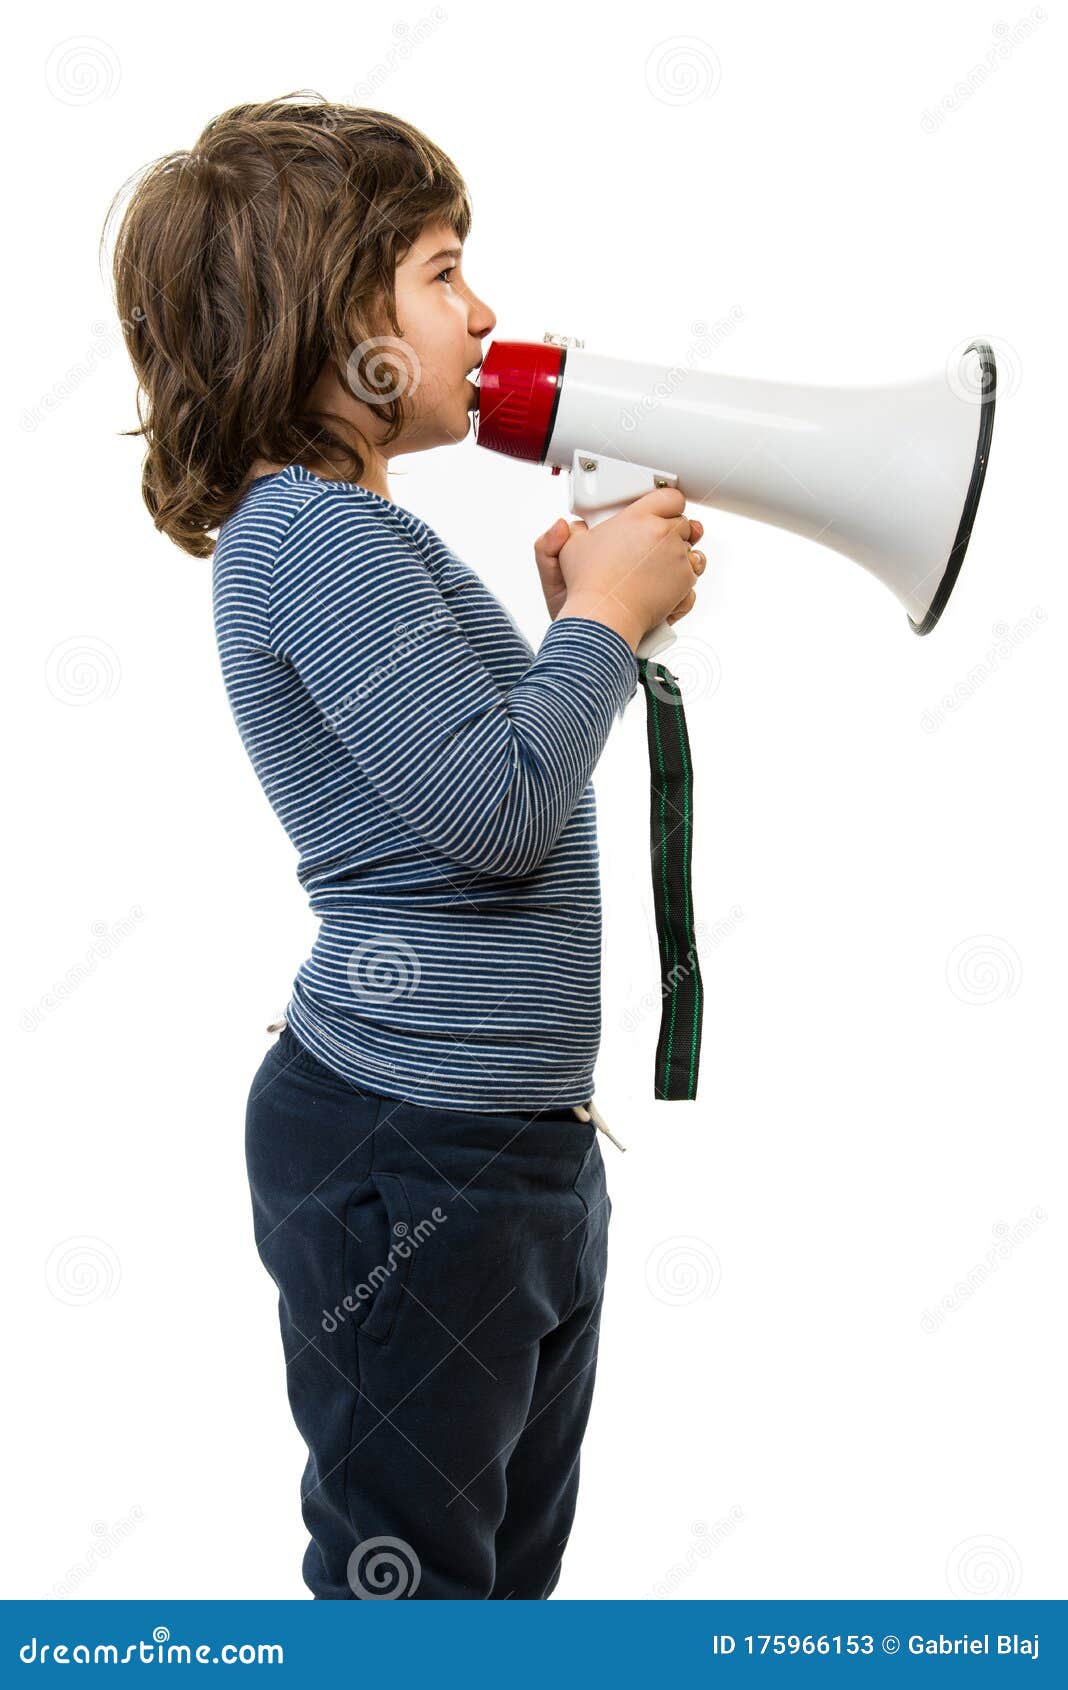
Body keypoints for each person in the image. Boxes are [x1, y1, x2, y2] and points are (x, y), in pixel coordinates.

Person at [105, 92, 705, 1599]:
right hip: (414, 1154)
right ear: (326, 318)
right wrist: (601, 619)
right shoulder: (314, 538)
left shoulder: (363, 538)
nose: (485, 312)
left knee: (497, 1574)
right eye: (442, 272)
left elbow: (487, 780)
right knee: (415, 1588)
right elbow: (496, 818)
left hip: (504, 1145)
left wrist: (578, 637)